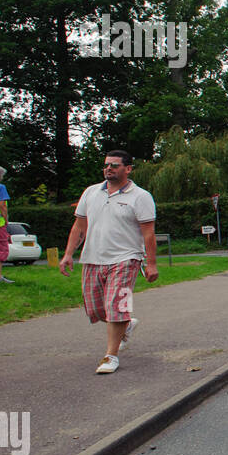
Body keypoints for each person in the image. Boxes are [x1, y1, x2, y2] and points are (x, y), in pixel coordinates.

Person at [60, 151, 159, 375]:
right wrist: (68, 254)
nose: (109, 169)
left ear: (128, 169)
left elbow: (149, 233)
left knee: (116, 305)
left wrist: (151, 263)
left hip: (126, 258)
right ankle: (126, 323)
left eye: (114, 165)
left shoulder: (140, 196)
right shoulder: (91, 192)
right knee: (95, 309)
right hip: (93, 257)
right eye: (106, 165)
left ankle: (110, 355)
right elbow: (79, 226)